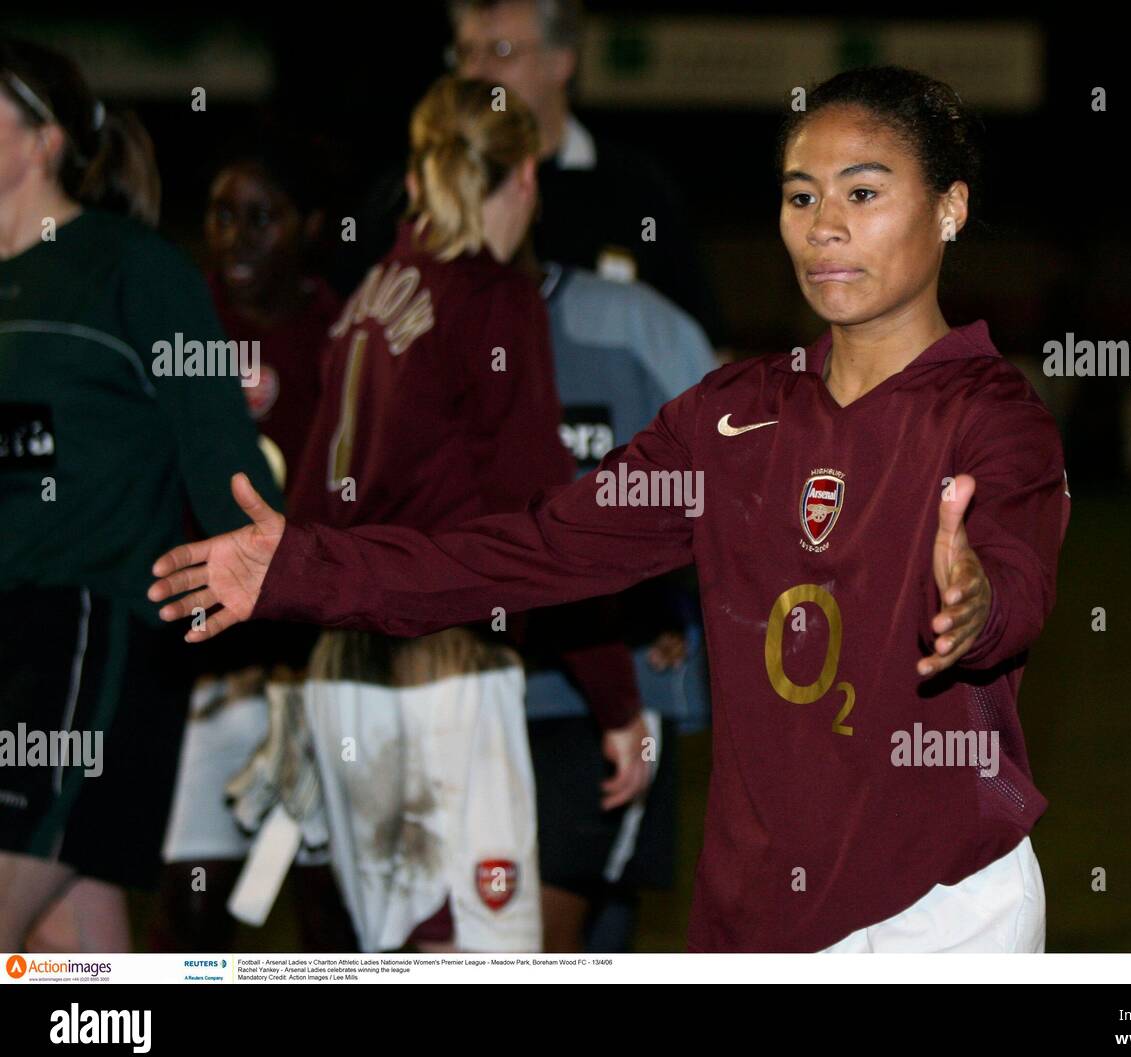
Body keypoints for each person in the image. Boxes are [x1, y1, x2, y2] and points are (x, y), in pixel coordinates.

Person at [150, 65, 1070, 953]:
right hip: (760, 922)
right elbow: (532, 549)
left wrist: (976, 606)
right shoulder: (730, 415)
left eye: (862, 194)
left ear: (949, 207)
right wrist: (302, 567)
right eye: (800, 196)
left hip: (942, 914)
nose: (824, 225)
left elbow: (1015, 582)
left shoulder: (995, 418)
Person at [275, 76, 648, 953]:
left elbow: (309, 503)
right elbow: (544, 517)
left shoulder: (375, 289)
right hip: (442, 667)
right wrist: (616, 694)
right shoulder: (490, 295)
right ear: (524, 178)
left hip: (343, 674)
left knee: (404, 953)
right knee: (482, 958)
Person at [0, 37, 280, 952]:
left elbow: (224, 456)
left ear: (42, 139)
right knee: (66, 947)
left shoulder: (133, 270)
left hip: (84, 634)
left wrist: (292, 600)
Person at [151, 138, 354, 954]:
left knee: (330, 920)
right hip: (208, 674)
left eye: (260, 218)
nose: (235, 235)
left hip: (314, 675)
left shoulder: (347, 335)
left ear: (306, 227)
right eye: (221, 215)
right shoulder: (176, 321)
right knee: (189, 915)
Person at [340, 0, 725, 347]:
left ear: (562, 60)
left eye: (501, 51)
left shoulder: (637, 191)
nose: (476, 72)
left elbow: (700, 342)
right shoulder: (412, 189)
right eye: (465, 52)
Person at [528, 260, 714, 950]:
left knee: (557, 928)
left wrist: (668, 596)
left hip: (606, 694)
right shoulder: (413, 323)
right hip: (468, 687)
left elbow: (733, 484)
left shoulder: (635, 325)